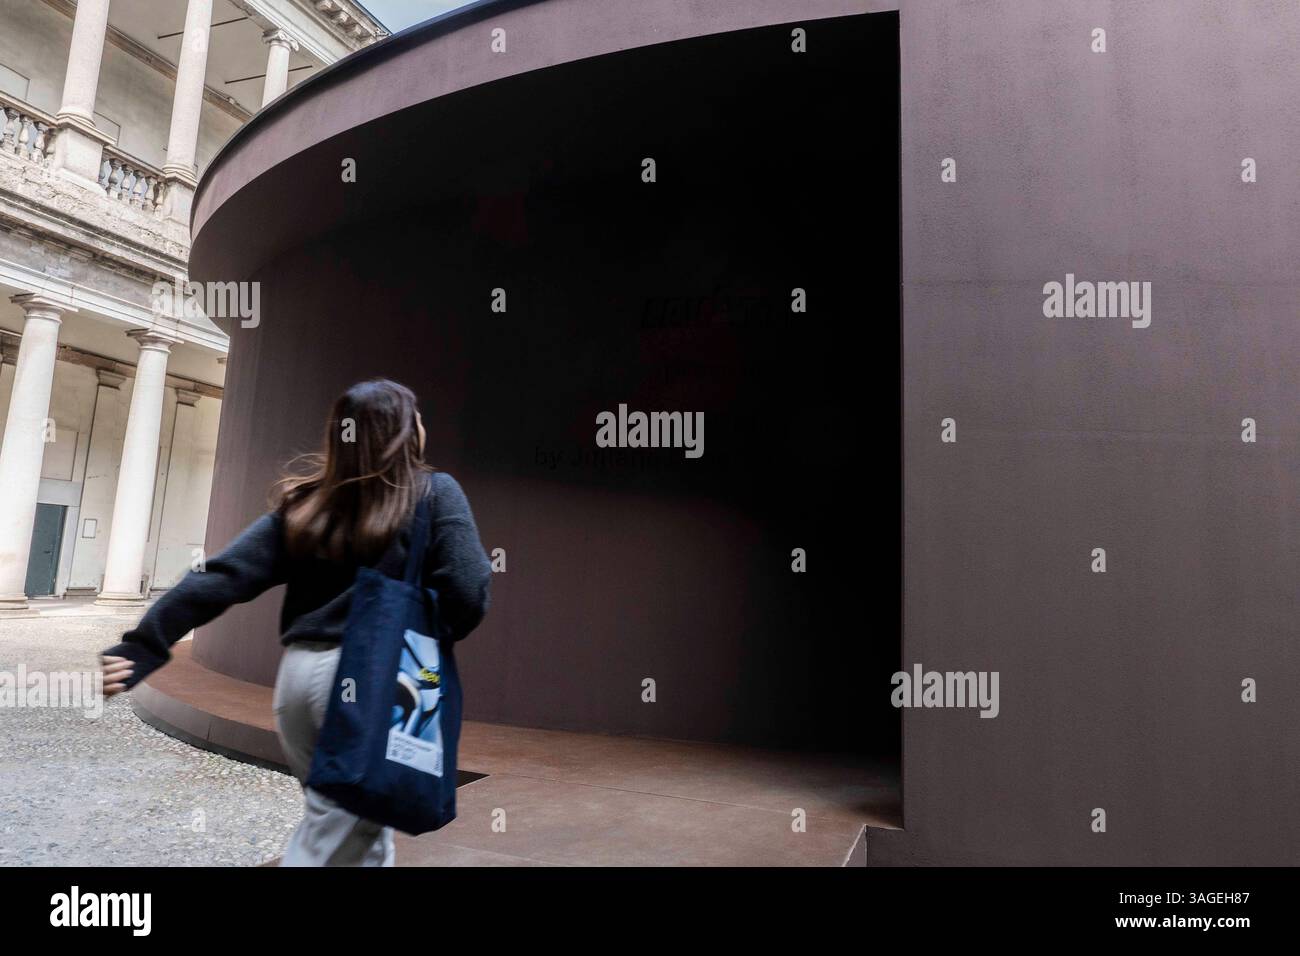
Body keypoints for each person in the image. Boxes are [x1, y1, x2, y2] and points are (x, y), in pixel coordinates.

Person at [100, 379, 492, 866]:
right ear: (407, 432)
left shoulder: (307, 506)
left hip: (300, 683)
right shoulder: (434, 493)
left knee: (359, 828)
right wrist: (426, 635)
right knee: (333, 838)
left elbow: (219, 577)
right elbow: (469, 589)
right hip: (369, 685)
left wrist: (142, 646)